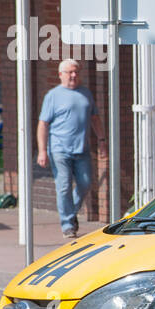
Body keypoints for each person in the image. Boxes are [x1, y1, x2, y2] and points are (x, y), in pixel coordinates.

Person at [37, 60, 104, 238]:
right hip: (59, 150)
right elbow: (43, 124)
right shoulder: (53, 96)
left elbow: (95, 118)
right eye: (69, 72)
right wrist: (42, 150)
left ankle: (71, 212)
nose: (73, 75)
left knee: (85, 183)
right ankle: (68, 225)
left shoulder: (85, 93)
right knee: (64, 186)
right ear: (61, 75)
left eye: (76, 72)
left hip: (82, 149)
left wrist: (102, 140)